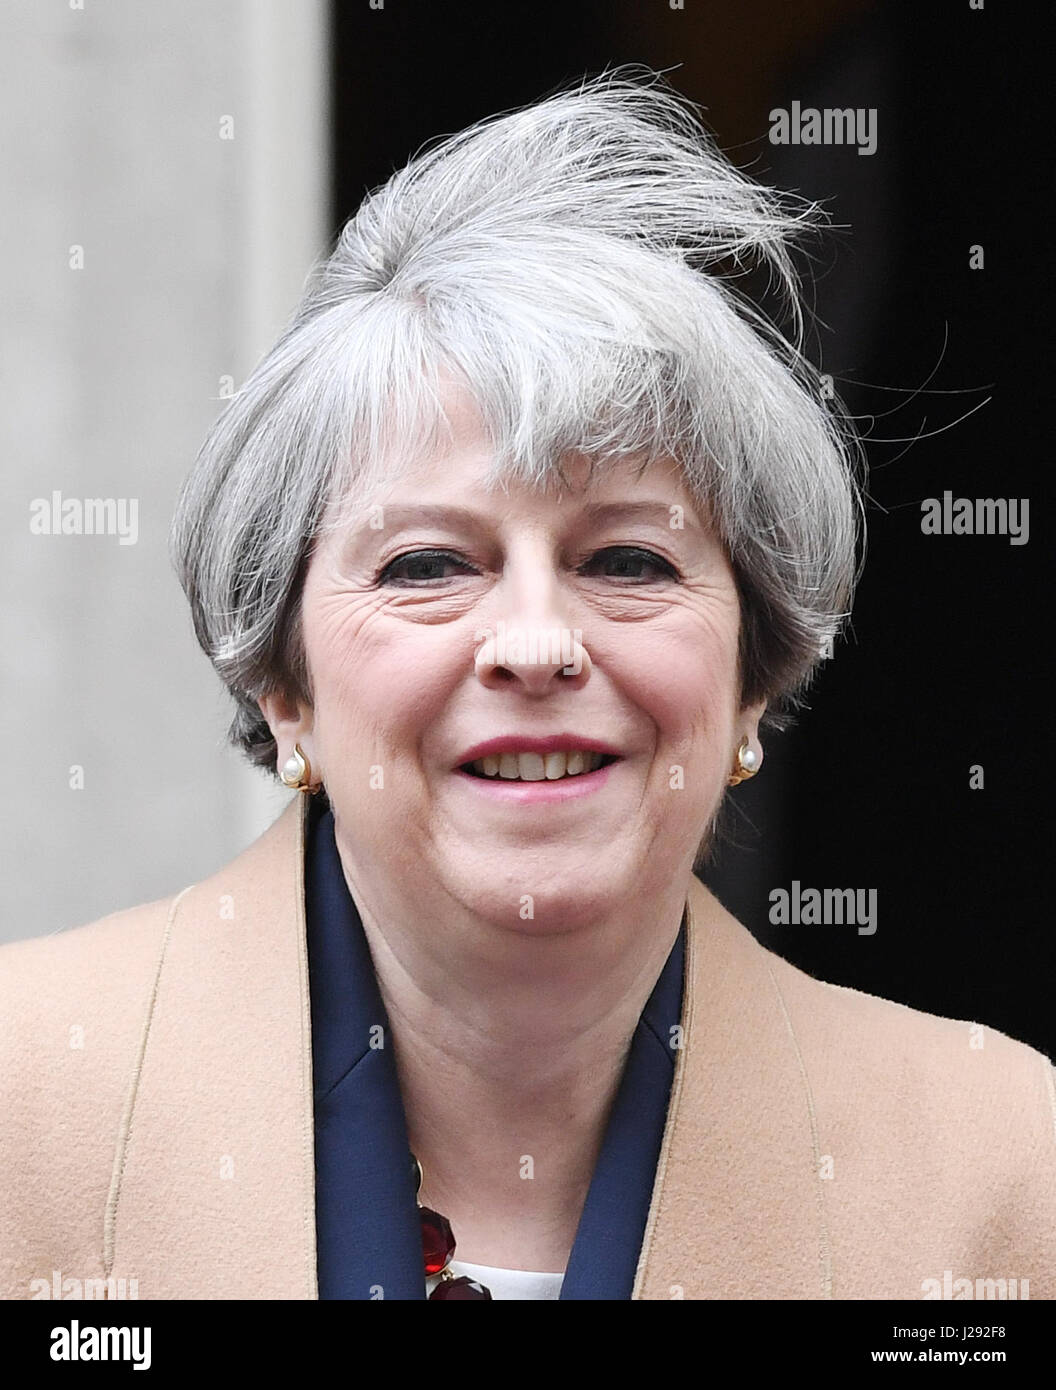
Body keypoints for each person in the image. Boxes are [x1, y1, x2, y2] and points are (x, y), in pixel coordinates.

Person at [3, 71, 1053, 1302]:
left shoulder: (1003, 1165)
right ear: (283, 685)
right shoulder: (24, 1104)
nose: (537, 644)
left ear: (755, 675)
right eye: (430, 564)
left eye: (627, 560)